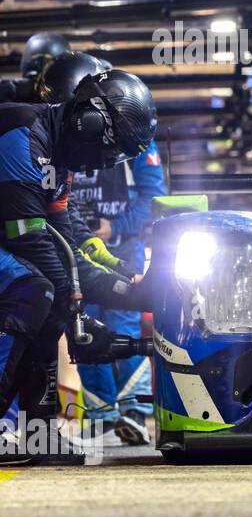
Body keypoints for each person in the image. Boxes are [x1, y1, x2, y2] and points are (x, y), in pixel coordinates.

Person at [0, 65, 158, 464]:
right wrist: (78, 319)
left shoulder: (56, 159)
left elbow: (69, 255)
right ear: (89, 124)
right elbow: (31, 241)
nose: (106, 164)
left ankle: (38, 434)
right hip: (18, 245)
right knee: (36, 290)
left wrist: (135, 292)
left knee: (50, 294)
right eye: (113, 151)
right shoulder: (20, 135)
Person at [44, 53, 166, 445]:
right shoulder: (62, 138)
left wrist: (118, 227)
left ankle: (133, 409)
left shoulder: (132, 136)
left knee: (125, 323)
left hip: (122, 248)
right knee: (81, 322)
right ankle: (100, 413)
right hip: (75, 244)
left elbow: (154, 196)